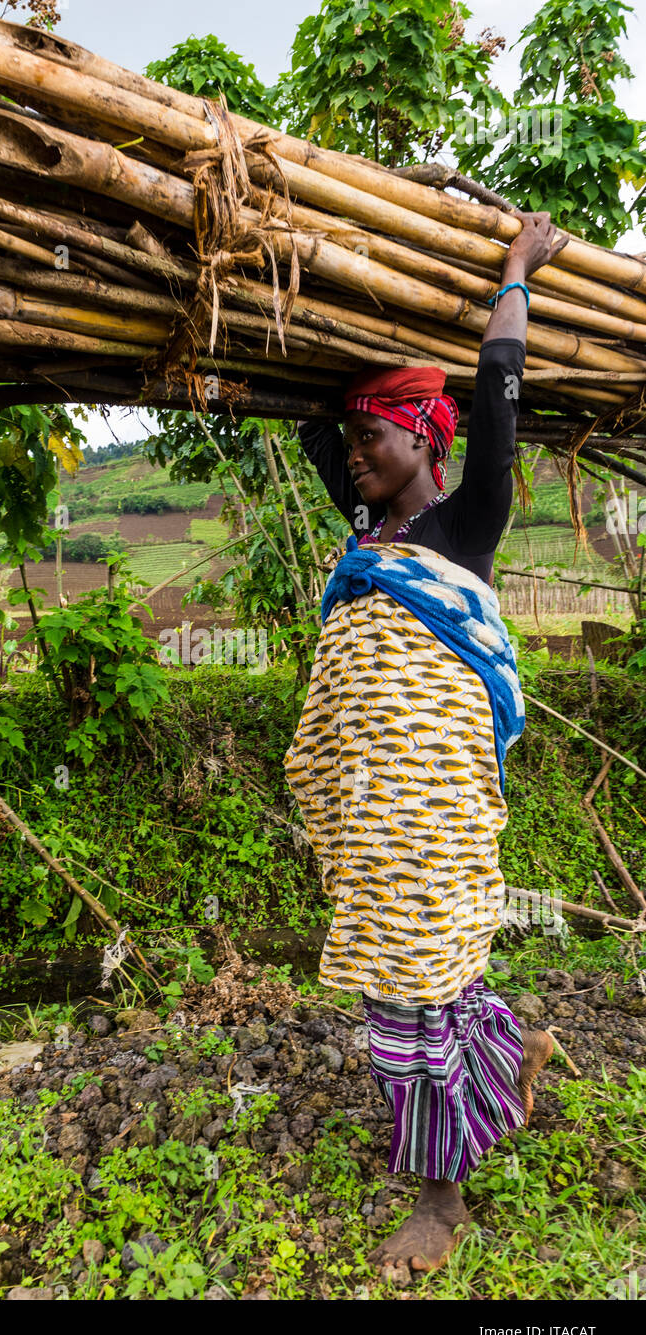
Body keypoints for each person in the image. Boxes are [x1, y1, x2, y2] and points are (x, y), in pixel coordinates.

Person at [284, 212, 568, 1274]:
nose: (353, 456)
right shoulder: (369, 543)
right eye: (351, 442)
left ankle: (439, 1203)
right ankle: (520, 1050)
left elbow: (496, 399)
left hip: (432, 812)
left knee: (405, 1002)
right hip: (371, 816)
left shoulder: (463, 528)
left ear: (425, 440)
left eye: (374, 439)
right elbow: (319, 420)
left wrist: (511, 273)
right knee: (431, 984)